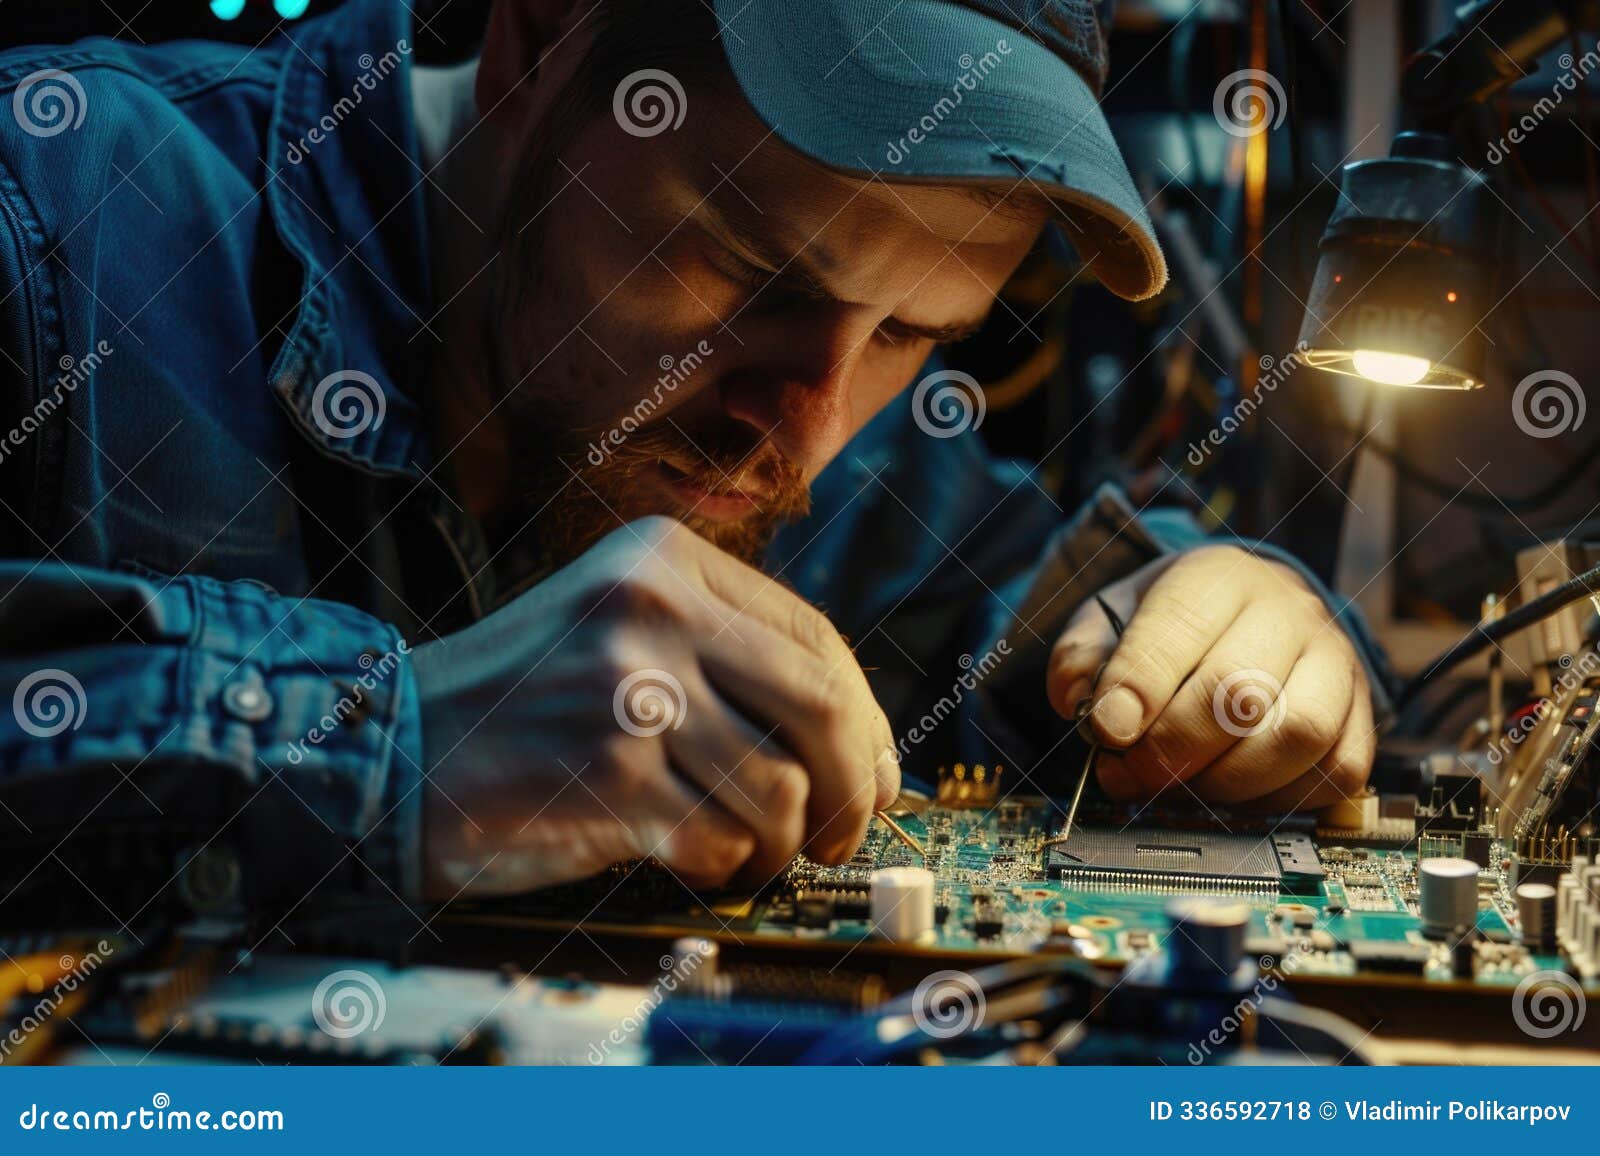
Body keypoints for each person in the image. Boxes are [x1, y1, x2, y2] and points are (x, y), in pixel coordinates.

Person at [0, 0, 1386, 916]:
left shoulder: (835, 453)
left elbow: (1043, 619)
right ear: (536, 42)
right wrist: (386, 748)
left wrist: (1219, 626)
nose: (804, 428)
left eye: (912, 331)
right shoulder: (57, 214)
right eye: (751, 275)